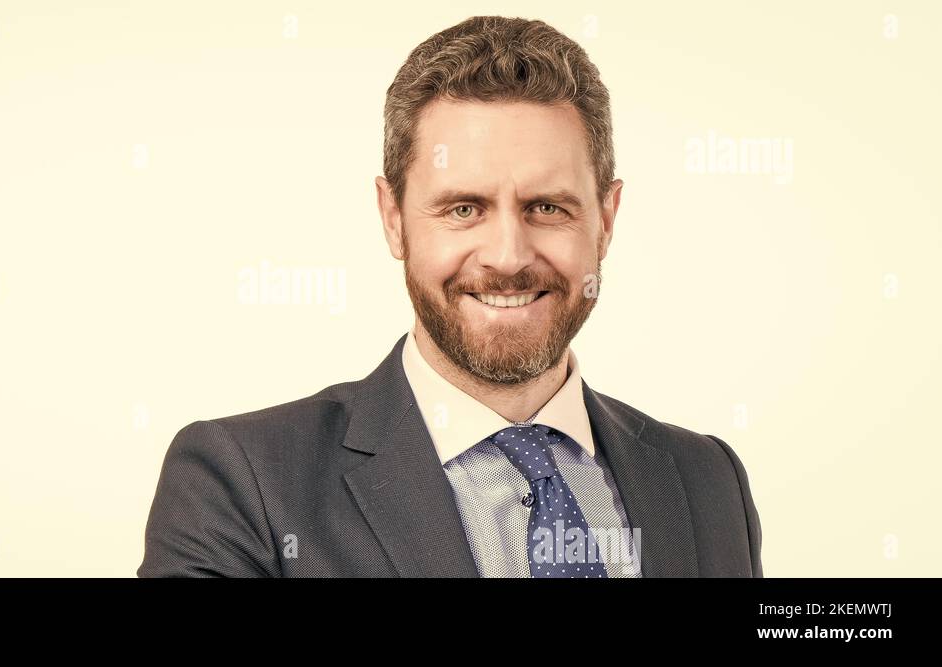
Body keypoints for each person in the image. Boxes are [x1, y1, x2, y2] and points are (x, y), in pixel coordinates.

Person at [138, 15, 761, 577]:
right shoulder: (242, 482)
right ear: (393, 218)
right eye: (464, 209)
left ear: (607, 217)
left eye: (548, 207)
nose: (509, 256)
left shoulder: (708, 480)